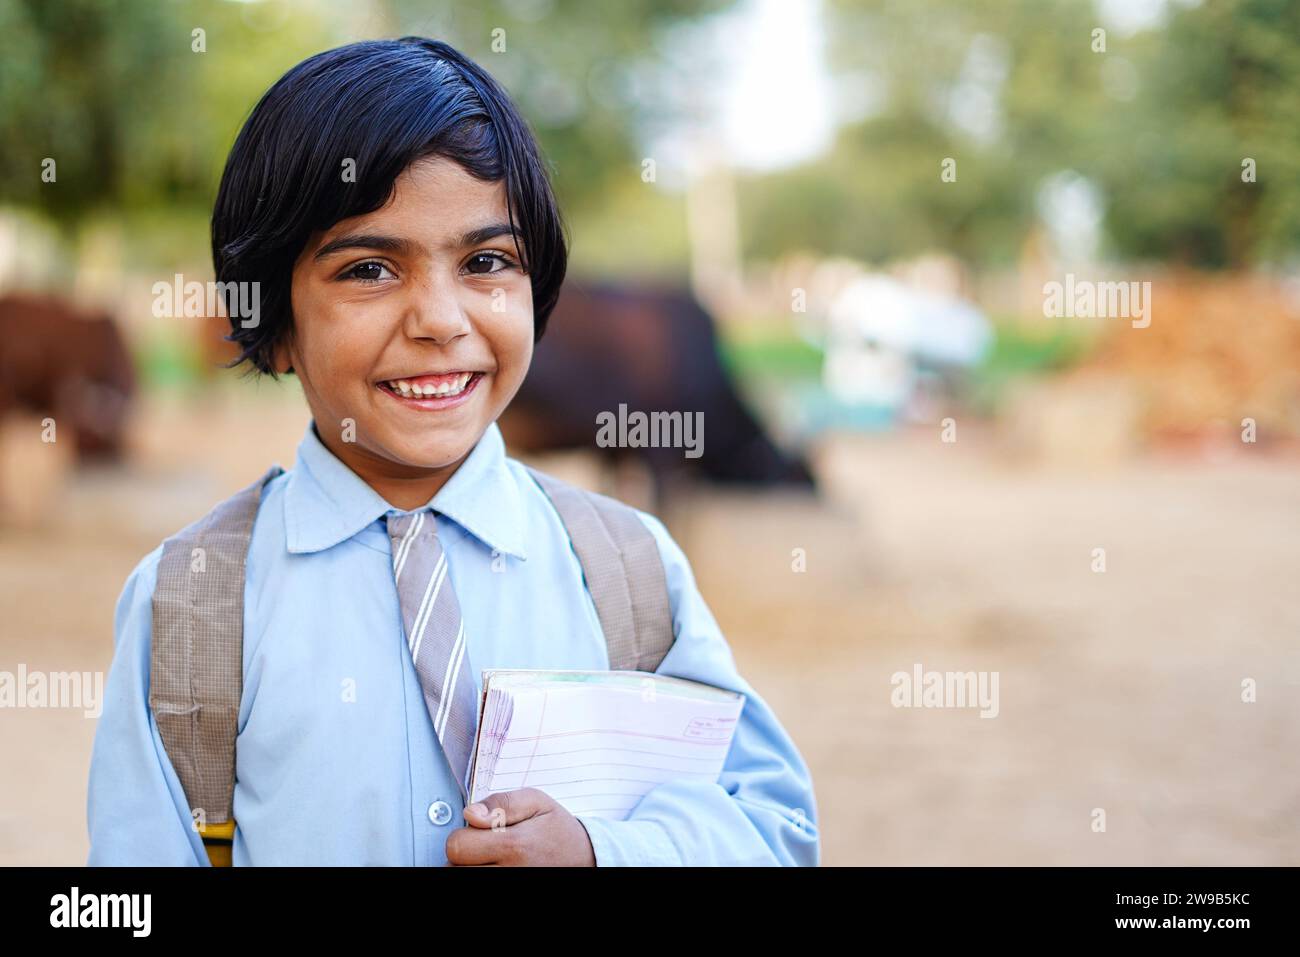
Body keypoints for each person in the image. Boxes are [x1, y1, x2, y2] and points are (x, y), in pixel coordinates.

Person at [86, 36, 819, 866]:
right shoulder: (188, 607)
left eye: (485, 261)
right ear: (275, 326)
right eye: (368, 268)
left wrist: (601, 852)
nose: (440, 318)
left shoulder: (630, 572)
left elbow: (776, 832)